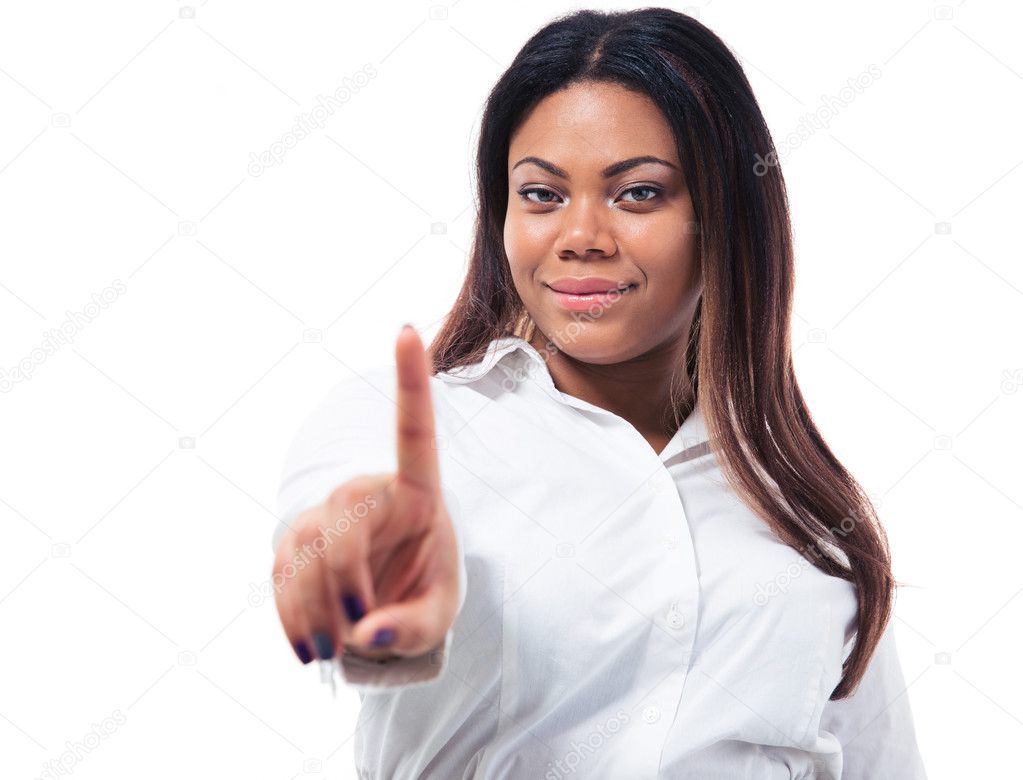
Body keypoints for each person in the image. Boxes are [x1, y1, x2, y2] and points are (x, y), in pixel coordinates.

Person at [270, 7, 928, 778]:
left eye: (638, 193)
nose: (580, 233)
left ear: (724, 216)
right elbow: (331, 542)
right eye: (542, 195)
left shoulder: (803, 506)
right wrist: (364, 572)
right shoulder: (398, 422)